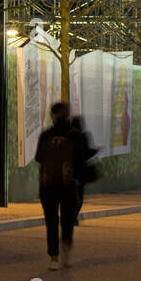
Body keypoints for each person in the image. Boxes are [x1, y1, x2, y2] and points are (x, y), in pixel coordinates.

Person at [35, 101, 86, 270]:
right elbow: (80, 158)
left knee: (51, 221)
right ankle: (66, 250)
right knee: (67, 221)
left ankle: (54, 258)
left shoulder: (46, 135)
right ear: (68, 115)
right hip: (68, 184)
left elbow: (38, 157)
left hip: (47, 185)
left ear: (52, 116)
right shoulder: (75, 134)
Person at [70, 116, 99, 226]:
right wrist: (95, 150)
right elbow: (86, 154)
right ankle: (74, 217)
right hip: (80, 171)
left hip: (68, 170)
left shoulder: (66, 136)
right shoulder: (83, 136)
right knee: (79, 195)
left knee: (68, 195)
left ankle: (69, 217)